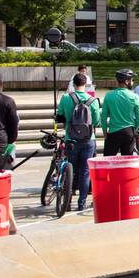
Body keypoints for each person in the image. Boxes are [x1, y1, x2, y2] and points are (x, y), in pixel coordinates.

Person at [57, 73, 101, 211]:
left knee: (70, 170)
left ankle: (68, 201)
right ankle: (81, 203)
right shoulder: (92, 100)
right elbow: (97, 122)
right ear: (85, 85)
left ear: (73, 84)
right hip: (88, 140)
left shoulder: (66, 98)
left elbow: (60, 115)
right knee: (85, 172)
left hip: (71, 139)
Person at [102, 69, 139, 156]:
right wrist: (133, 130)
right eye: (132, 80)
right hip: (128, 131)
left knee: (108, 161)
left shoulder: (108, 95)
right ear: (127, 81)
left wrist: (105, 133)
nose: (133, 82)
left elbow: (103, 117)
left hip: (113, 132)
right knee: (127, 162)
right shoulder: (135, 97)